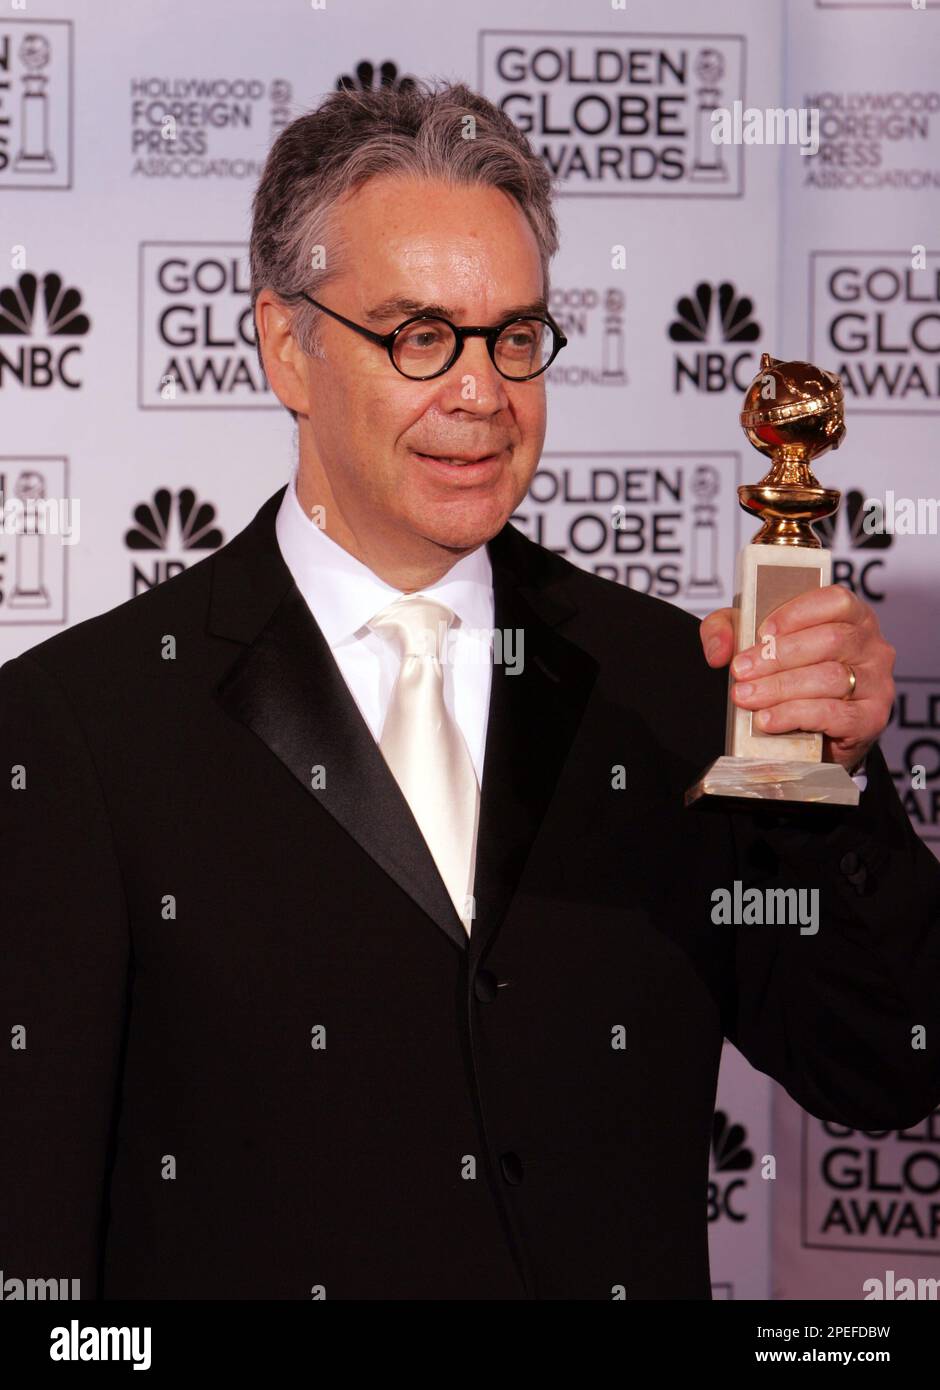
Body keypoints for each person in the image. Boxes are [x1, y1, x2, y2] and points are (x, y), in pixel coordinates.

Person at [1, 80, 938, 1301]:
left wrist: (839, 777)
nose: (481, 393)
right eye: (419, 337)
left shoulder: (678, 685)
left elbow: (881, 1065)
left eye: (512, 337)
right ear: (288, 347)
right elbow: (31, 1234)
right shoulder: (82, 727)